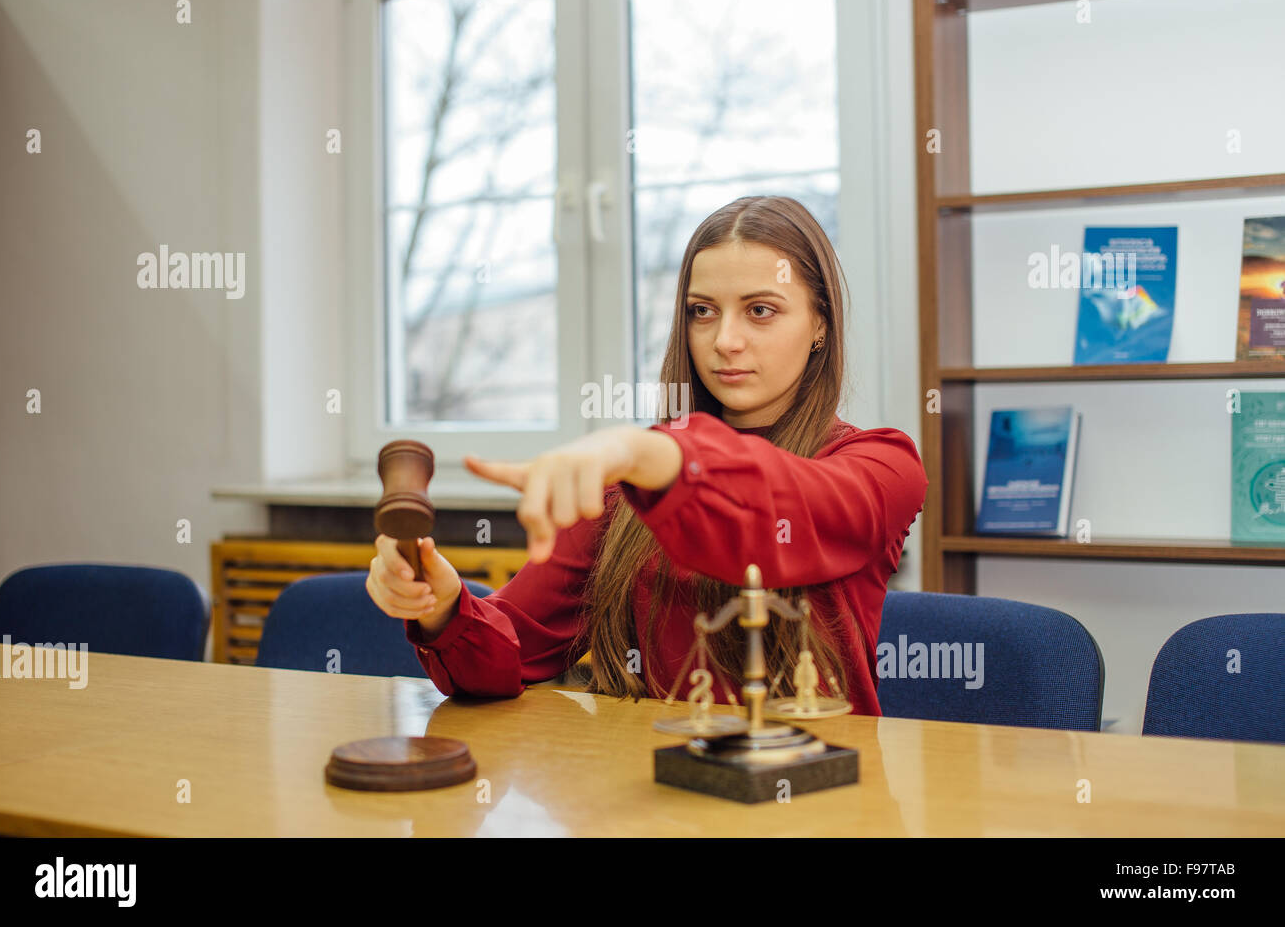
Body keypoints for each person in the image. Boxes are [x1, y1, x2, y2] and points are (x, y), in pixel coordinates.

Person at [366, 195, 928, 714]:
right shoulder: (630, 484)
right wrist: (443, 607)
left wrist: (647, 451)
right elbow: (508, 656)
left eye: (760, 311)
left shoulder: (884, 466)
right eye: (702, 311)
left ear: (820, 325)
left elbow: (773, 510)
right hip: (662, 799)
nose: (724, 340)